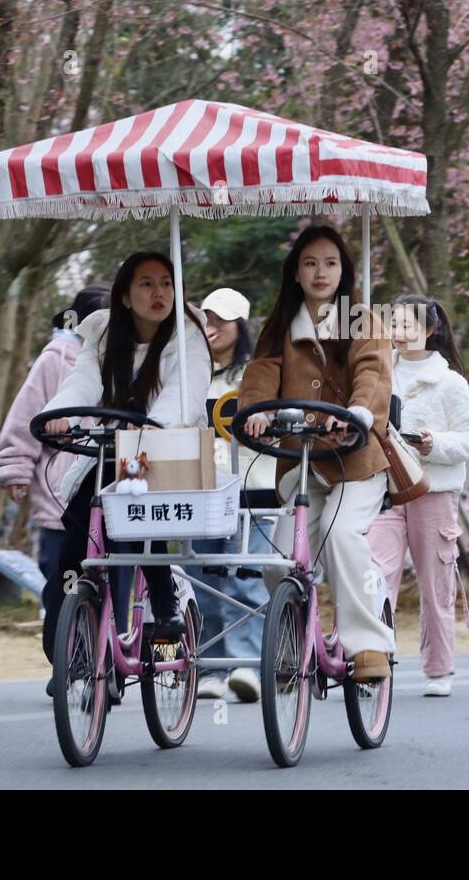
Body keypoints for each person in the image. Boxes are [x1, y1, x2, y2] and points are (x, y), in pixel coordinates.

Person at [238, 226, 396, 681]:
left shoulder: (362, 320)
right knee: (279, 555)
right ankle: (293, 643)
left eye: (330, 263)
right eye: (309, 263)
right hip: (304, 464)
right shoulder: (281, 326)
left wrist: (357, 414)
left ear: (344, 271)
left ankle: (368, 644)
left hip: (356, 461)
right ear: (295, 273)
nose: (320, 272)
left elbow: (372, 373)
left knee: (339, 532)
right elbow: (261, 374)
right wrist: (257, 410)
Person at [40, 251, 212, 667]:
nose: (159, 293)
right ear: (124, 296)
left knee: (138, 509)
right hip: (112, 452)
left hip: (170, 454)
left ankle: (166, 605)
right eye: (146, 284)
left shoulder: (188, 335)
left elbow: (185, 393)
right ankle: (70, 646)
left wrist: (156, 427)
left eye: (166, 284)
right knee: (77, 533)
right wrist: (59, 415)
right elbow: (82, 382)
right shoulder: (103, 333)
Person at [366, 295, 469, 696]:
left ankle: (439, 670)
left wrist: (435, 444)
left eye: (408, 326)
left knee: (436, 586)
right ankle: (371, 662)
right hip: (384, 487)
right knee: (375, 575)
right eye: (394, 324)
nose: (399, 333)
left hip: (434, 490)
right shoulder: (377, 373)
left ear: (430, 330)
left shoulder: (451, 382)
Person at [0, 284, 110, 580]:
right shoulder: (54, 360)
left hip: (114, 496)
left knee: (113, 587)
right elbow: (25, 416)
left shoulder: (129, 363)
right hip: (59, 498)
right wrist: (16, 471)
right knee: (60, 581)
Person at [190, 287, 275, 703]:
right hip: (200, 491)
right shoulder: (189, 375)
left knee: (246, 578)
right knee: (202, 579)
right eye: (206, 319)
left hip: (253, 491)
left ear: (240, 326)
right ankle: (210, 667)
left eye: (220, 321)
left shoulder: (257, 374)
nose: (212, 328)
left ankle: (246, 665)